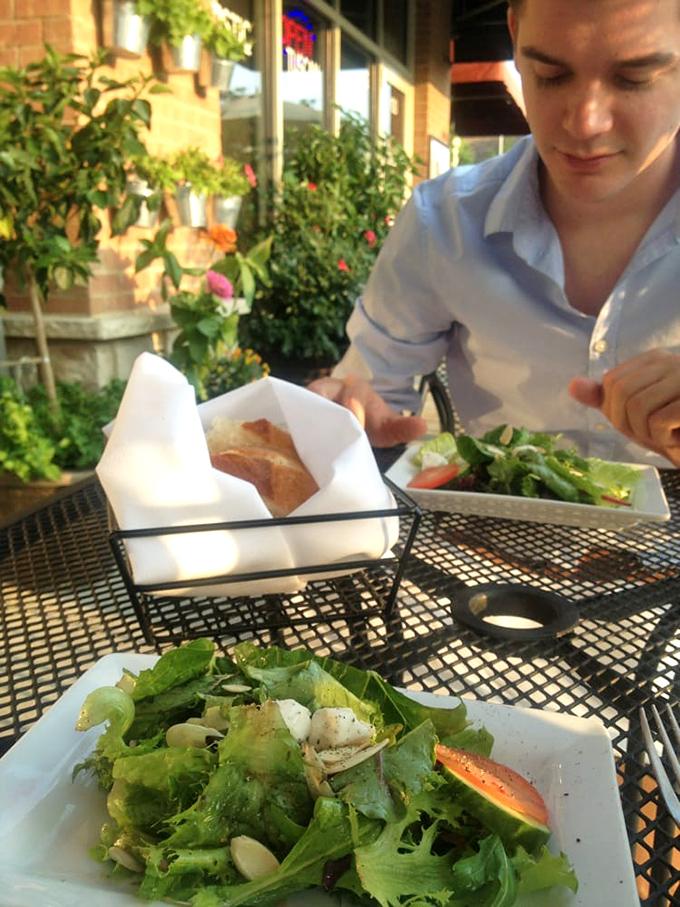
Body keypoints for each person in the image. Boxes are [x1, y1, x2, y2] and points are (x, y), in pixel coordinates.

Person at [309, 0, 680, 468]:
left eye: (634, 78)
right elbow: (370, 390)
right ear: (514, 35)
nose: (585, 123)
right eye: (550, 74)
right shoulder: (444, 221)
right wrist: (342, 408)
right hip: (487, 537)